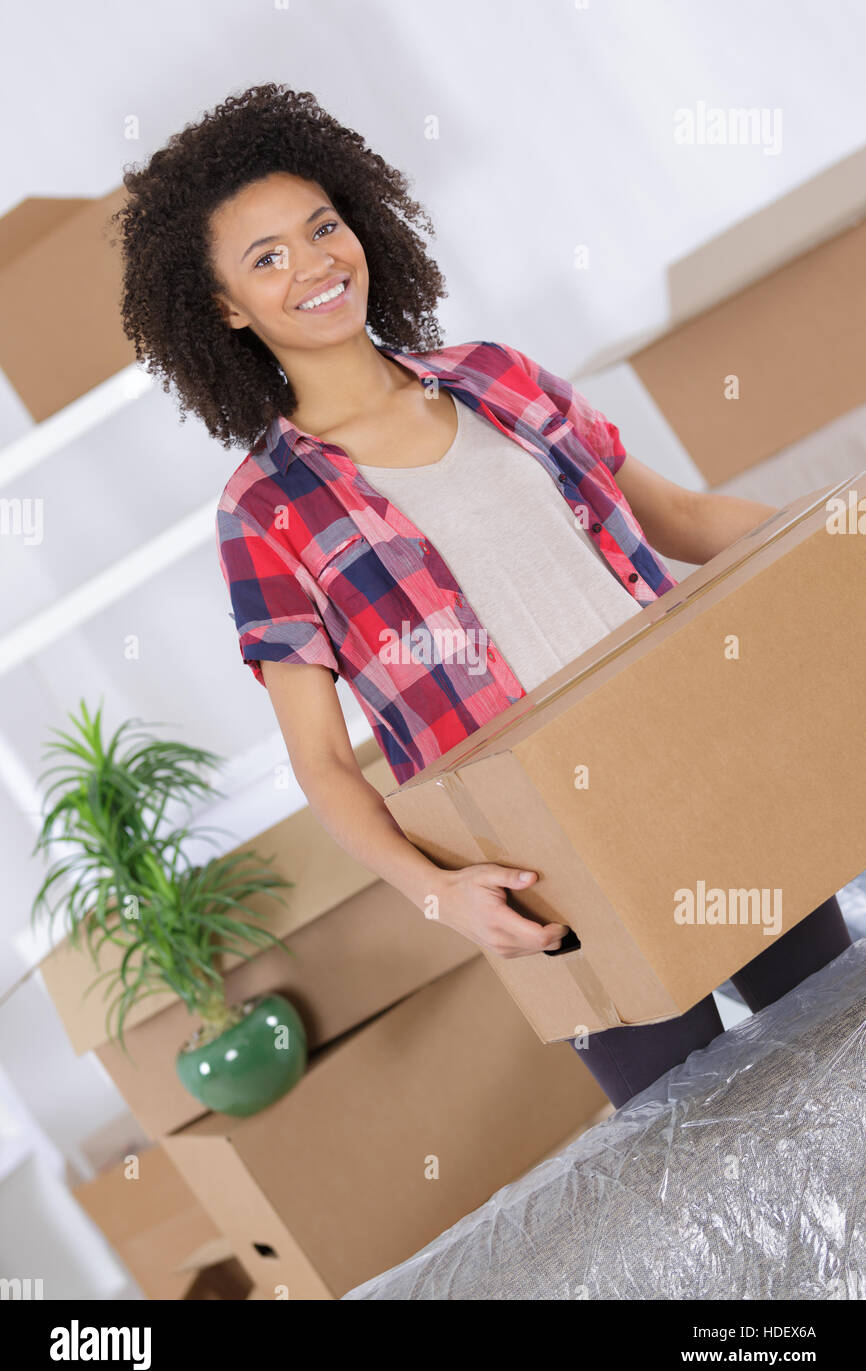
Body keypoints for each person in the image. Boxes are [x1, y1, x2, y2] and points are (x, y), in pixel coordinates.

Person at [112, 82, 852, 1109]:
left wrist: (839, 535)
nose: (315, 265)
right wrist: (438, 893)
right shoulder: (263, 509)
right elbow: (324, 766)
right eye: (267, 257)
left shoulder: (496, 376)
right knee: (696, 1139)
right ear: (225, 309)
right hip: (545, 863)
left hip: (695, 762)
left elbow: (677, 517)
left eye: (321, 227)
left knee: (842, 1053)